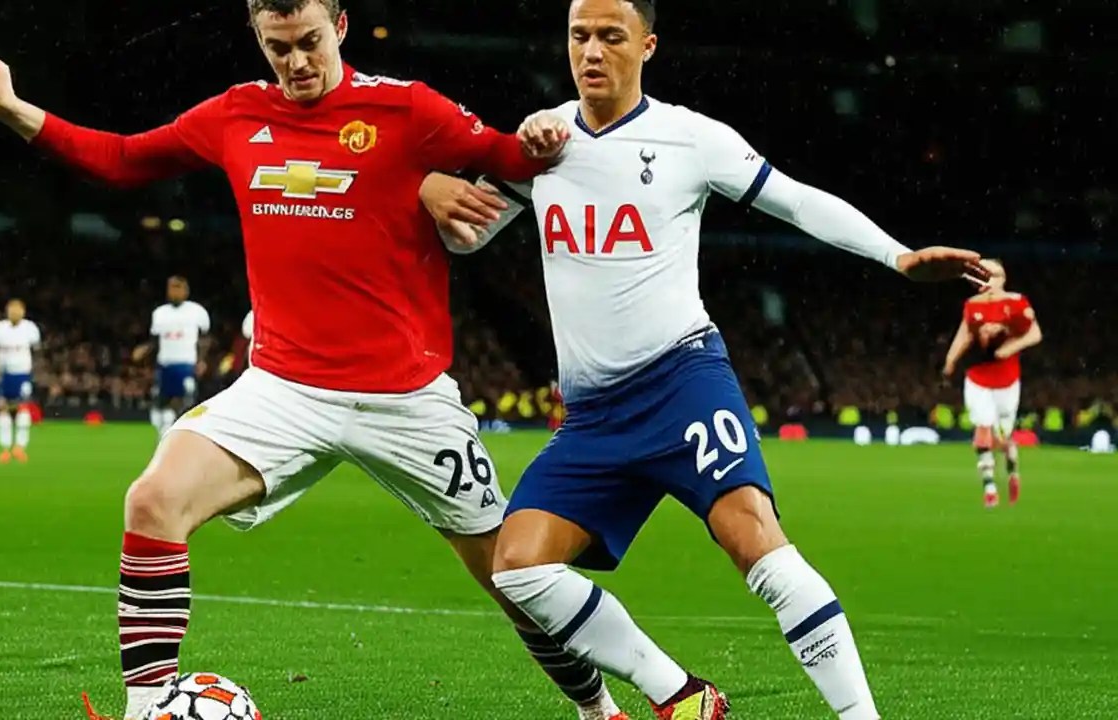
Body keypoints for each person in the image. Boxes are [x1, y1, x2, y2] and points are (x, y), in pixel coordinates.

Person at [0, 1, 630, 719]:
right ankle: (148, 708)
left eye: (310, 42)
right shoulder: (235, 115)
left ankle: (598, 711)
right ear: (258, 36)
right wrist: (12, 110)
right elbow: (125, 160)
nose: (297, 63)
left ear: (339, 27)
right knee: (152, 501)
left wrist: (538, 134)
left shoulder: (406, 110)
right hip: (282, 389)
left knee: (512, 577)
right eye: (278, 47)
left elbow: (510, 158)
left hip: (406, 399)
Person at [421, 1, 990, 717]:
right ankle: (679, 695)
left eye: (610, 37)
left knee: (753, 541)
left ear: (648, 45)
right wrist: (437, 182)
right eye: (578, 36)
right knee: (517, 567)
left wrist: (898, 255)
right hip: (594, 418)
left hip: (681, 383)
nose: (591, 52)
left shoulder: (690, 138)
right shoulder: (545, 141)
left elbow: (795, 201)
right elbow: (465, 238)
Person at [943, 259, 1042, 507]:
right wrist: (950, 359)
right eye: (982, 276)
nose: (988, 281)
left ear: (1002, 279)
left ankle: (1012, 471)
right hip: (978, 378)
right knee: (983, 429)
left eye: (993, 275)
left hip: (1007, 382)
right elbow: (965, 334)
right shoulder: (972, 307)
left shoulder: (1017, 303)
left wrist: (1009, 348)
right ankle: (989, 488)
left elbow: (1034, 333)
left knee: (1003, 438)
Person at [134, 276, 211, 437]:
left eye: (178, 287)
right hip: (165, 364)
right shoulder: (160, 314)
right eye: (171, 287)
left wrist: (202, 360)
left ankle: (181, 432)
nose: (174, 291)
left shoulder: (197, 311)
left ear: (186, 290)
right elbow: (155, 341)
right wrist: (145, 351)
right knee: (161, 402)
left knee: (187, 399)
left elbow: (205, 338)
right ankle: (163, 433)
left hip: (187, 363)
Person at [0, 298, 40, 463]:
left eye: (18, 310)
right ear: (7, 312)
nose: (15, 313)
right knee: (2, 408)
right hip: (3, 374)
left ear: (23, 312)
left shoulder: (30, 329)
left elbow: (36, 347)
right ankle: (4, 448)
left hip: (22, 374)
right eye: (12, 310)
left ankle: (20, 447)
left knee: (23, 408)